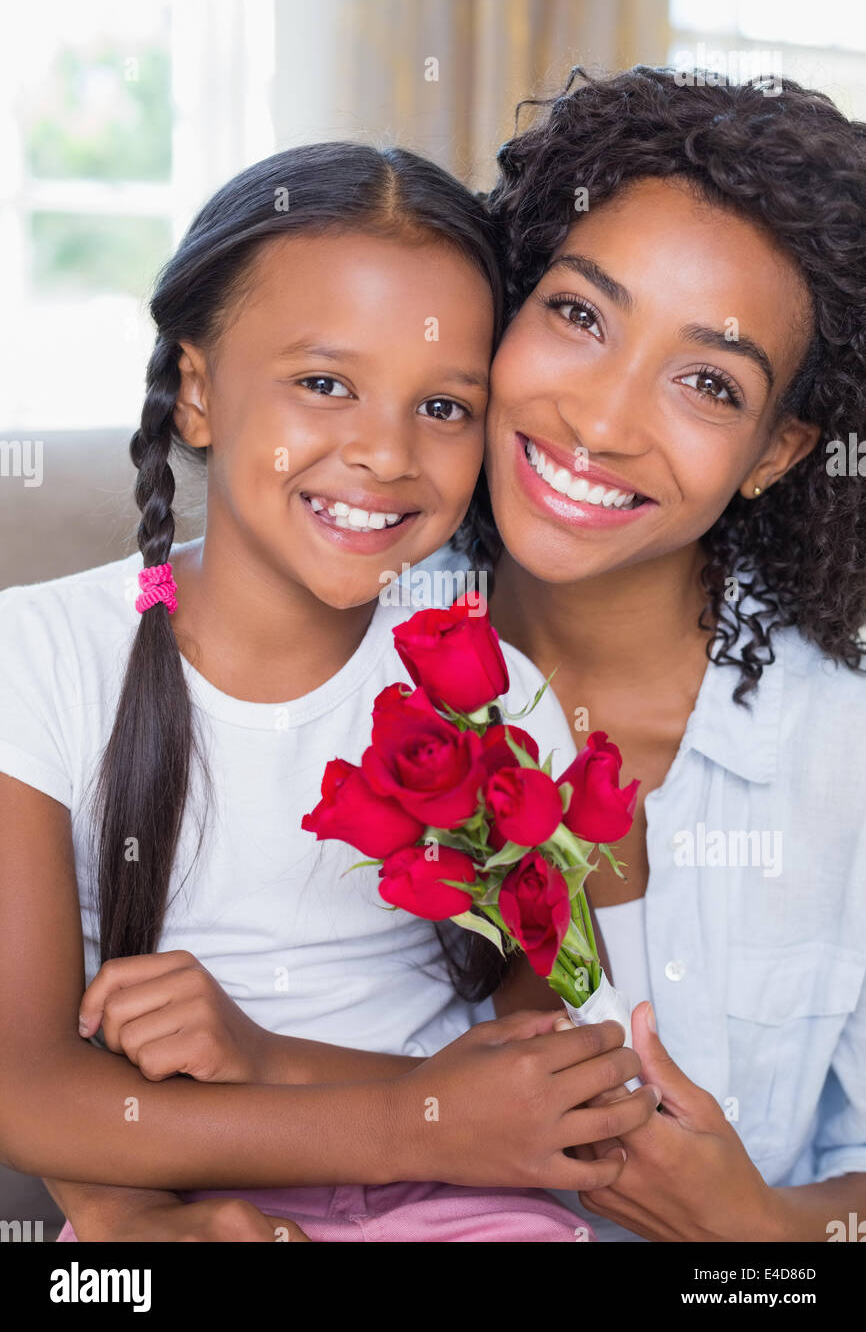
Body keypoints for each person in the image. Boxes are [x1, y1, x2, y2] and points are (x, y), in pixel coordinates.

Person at [0, 141, 658, 1243]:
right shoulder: (41, 652)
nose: (385, 453)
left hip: (463, 1207)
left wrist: (336, 1093)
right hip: (182, 1198)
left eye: (443, 406)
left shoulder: (492, 691)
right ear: (198, 392)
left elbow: (537, 1068)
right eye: (324, 384)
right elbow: (24, 1092)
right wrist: (407, 1119)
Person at [425, 64, 866, 1241]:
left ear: (773, 452)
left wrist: (760, 1227)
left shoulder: (845, 751)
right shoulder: (328, 632)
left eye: (706, 383)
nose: (602, 422)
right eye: (577, 313)